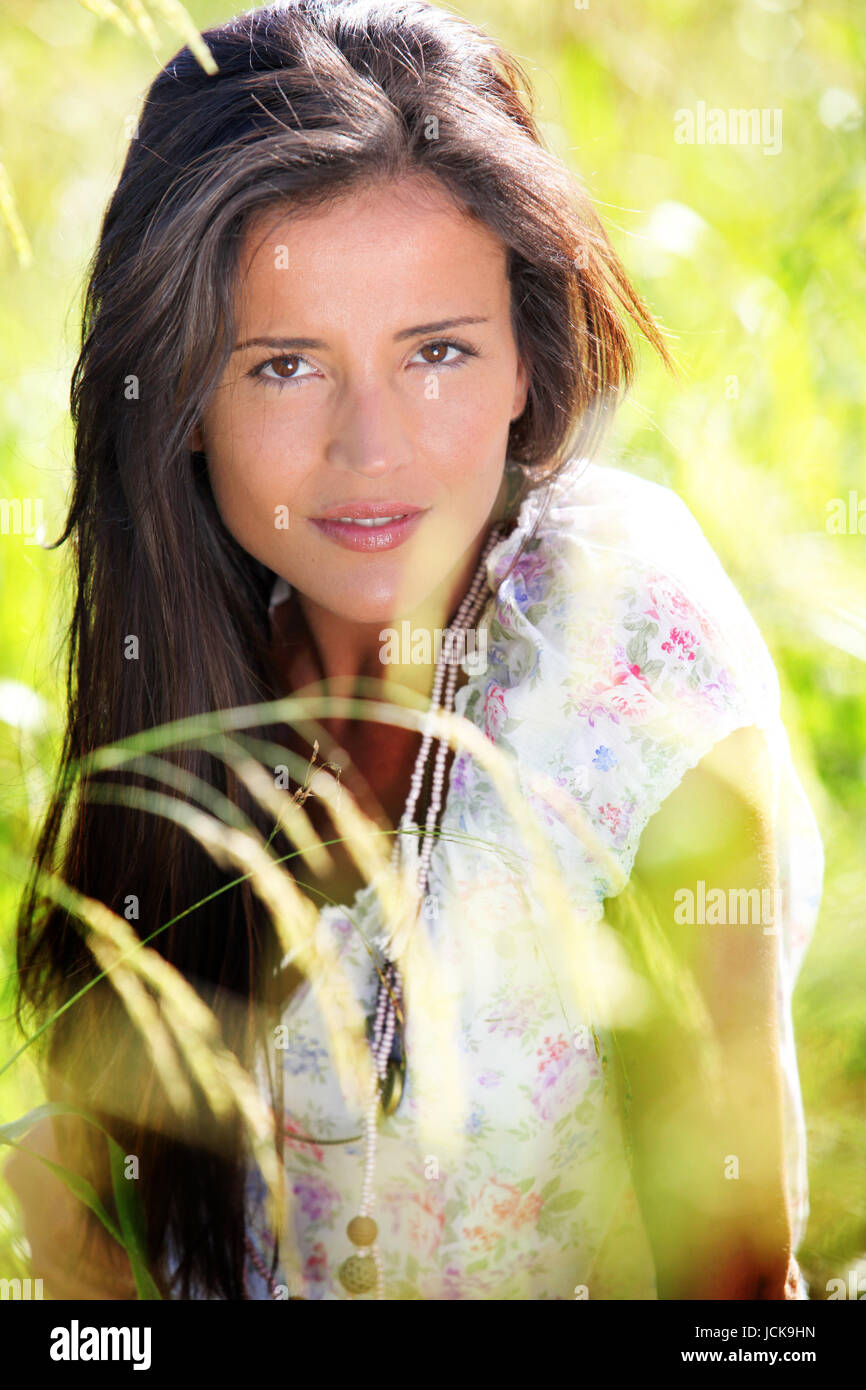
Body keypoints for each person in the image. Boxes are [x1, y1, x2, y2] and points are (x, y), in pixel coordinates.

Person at [6, 0, 821, 1300]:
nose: (371, 448)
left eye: (437, 351)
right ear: (183, 399)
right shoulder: (196, 633)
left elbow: (733, 1287)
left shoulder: (617, 646)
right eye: (284, 365)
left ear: (526, 365)